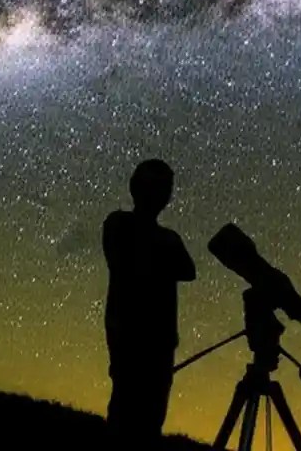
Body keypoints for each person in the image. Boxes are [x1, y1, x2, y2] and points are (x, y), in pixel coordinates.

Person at [102, 158, 196, 450]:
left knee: (151, 418)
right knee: (125, 413)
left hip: (159, 341)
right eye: (158, 187)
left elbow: (188, 270)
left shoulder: (167, 238)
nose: (162, 194)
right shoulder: (118, 223)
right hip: (129, 335)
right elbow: (127, 264)